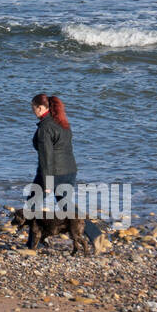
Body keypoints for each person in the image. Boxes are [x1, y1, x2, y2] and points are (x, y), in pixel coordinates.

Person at [29, 93, 108, 252]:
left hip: (52, 172)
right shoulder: (63, 124)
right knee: (67, 207)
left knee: (32, 205)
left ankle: (31, 247)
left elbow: (46, 157)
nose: (33, 111)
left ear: (40, 108)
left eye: (33, 108)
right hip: (69, 170)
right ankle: (97, 236)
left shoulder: (45, 128)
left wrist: (47, 182)